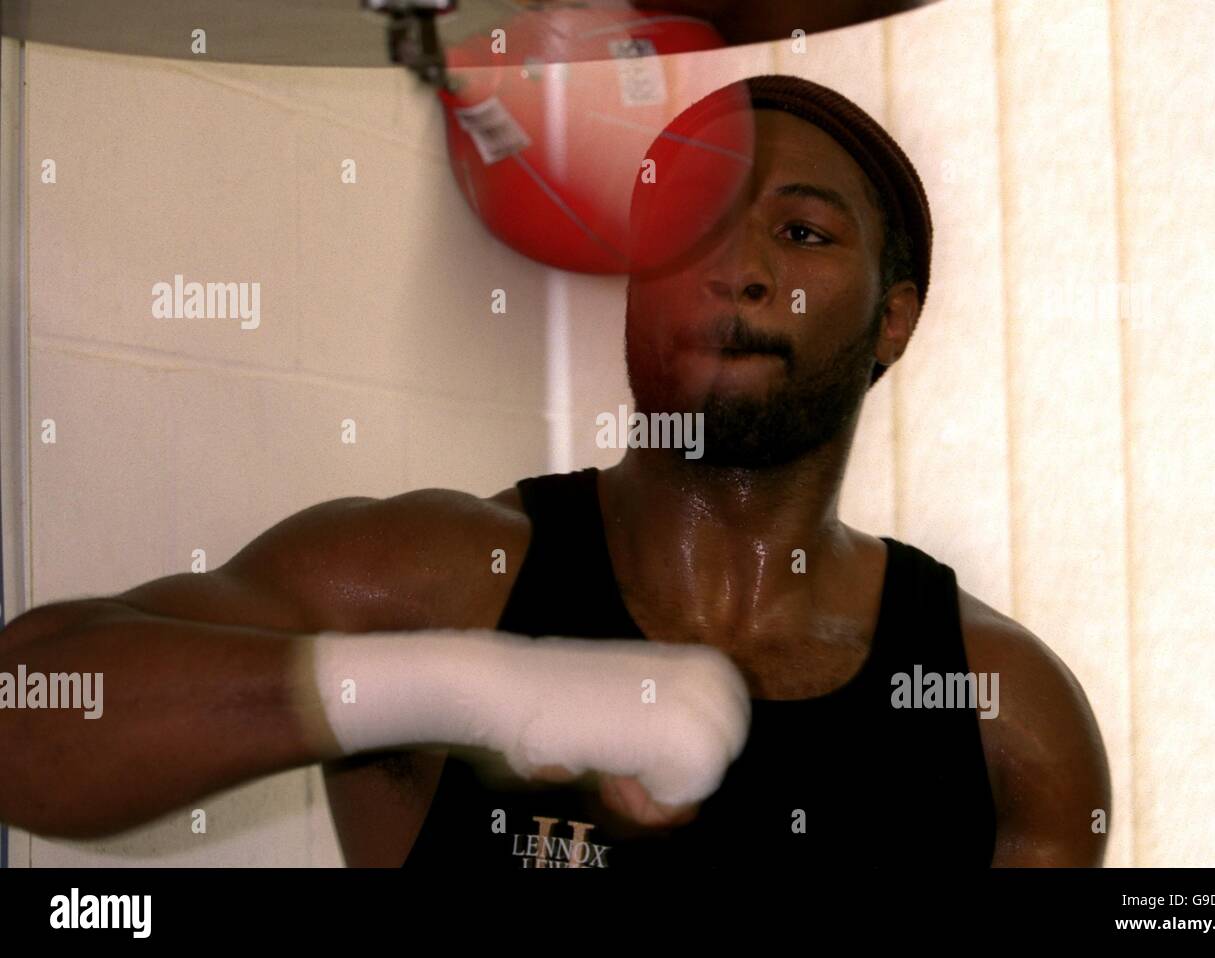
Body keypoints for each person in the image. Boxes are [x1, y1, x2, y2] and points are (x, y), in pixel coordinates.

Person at [0, 75, 1109, 869]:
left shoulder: (1006, 716)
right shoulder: (444, 583)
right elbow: (28, 716)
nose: (737, 265)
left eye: (805, 232)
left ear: (892, 322)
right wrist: (462, 685)